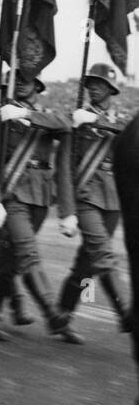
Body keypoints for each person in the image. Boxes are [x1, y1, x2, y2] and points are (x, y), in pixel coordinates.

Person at [0, 69, 78, 343]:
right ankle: (52, 312)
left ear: (36, 85)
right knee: (27, 253)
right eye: (15, 79)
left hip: (39, 197)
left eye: (25, 79)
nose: (19, 83)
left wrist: (27, 116)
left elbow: (66, 123)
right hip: (12, 196)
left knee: (9, 256)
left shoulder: (45, 115)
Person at [55, 61, 133, 340]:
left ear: (112, 89)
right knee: (103, 255)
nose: (93, 88)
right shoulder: (76, 119)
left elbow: (126, 130)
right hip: (86, 198)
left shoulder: (121, 120)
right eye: (90, 83)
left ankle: (61, 316)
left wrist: (98, 121)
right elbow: (63, 167)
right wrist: (66, 210)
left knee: (87, 265)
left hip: (112, 200)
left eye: (99, 84)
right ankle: (127, 313)